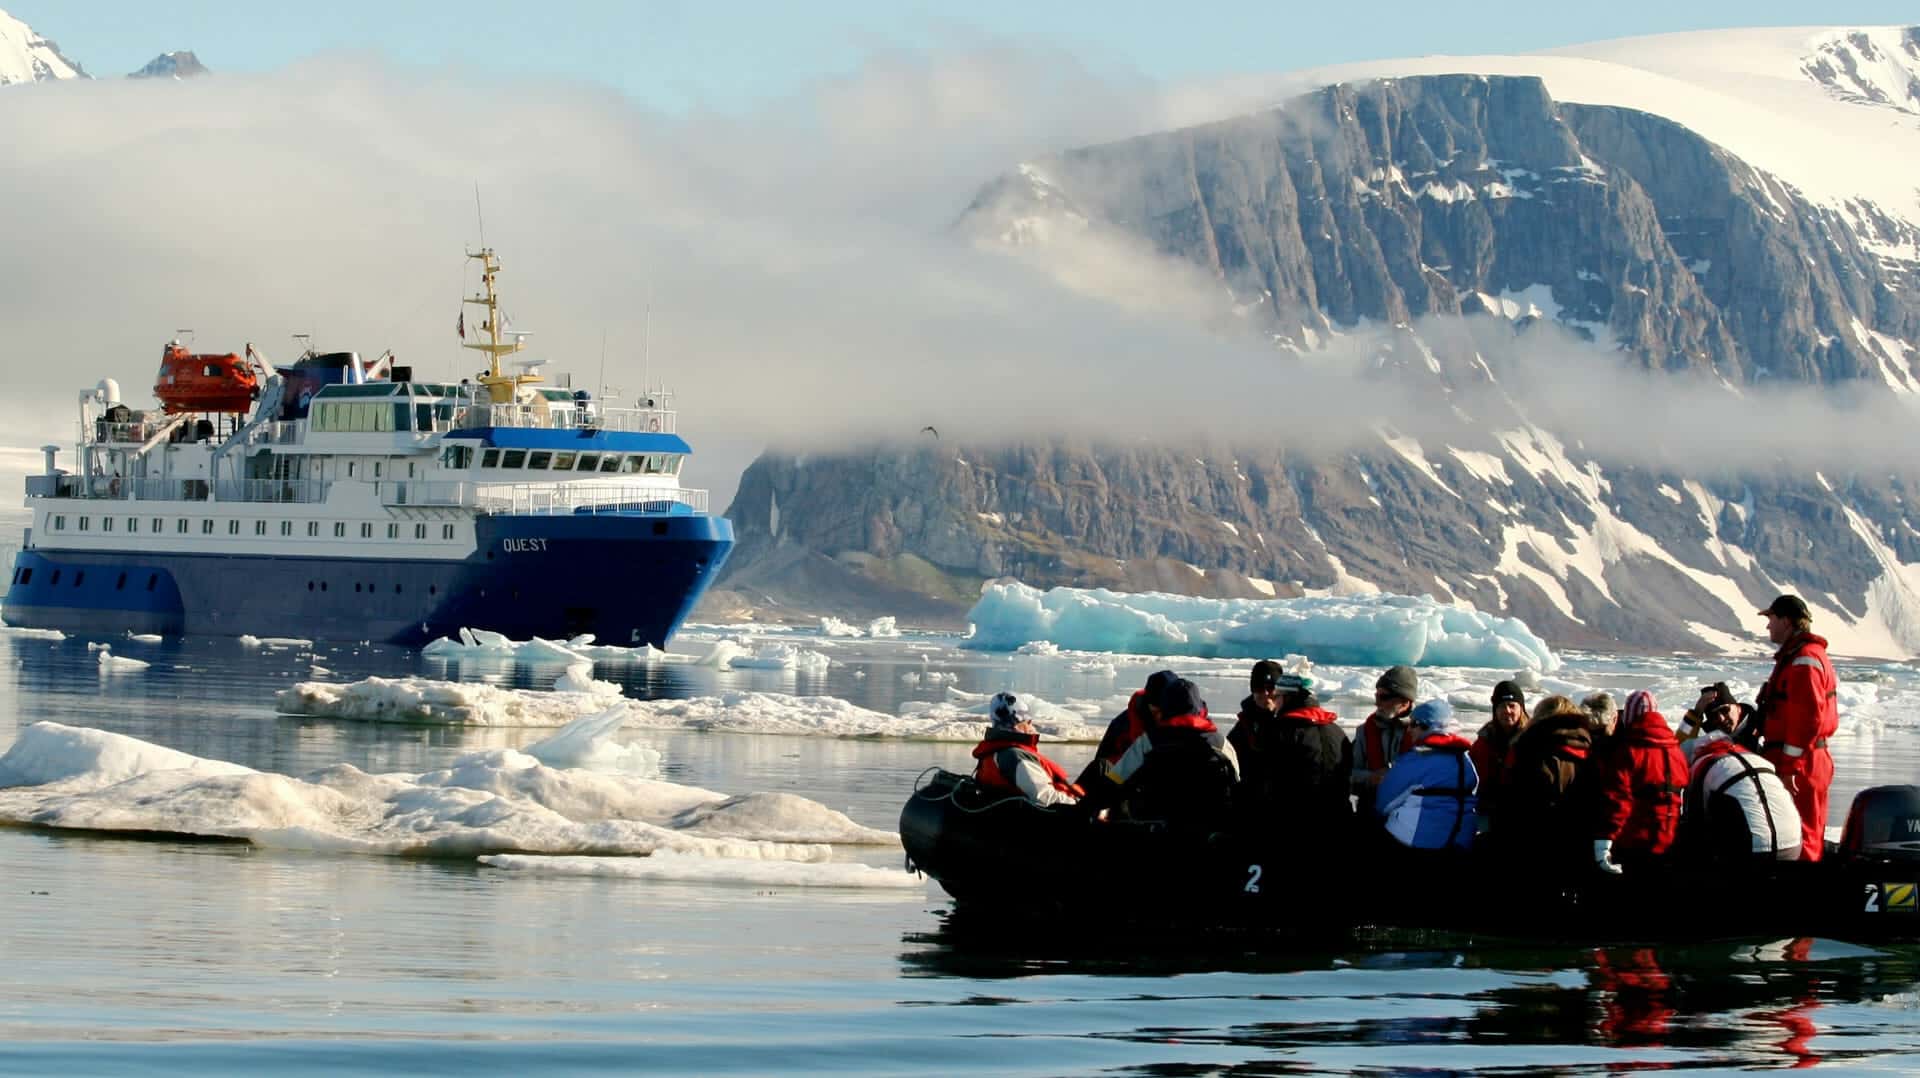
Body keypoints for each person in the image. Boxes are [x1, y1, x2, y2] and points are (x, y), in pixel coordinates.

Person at [1083, 677, 1240, 831]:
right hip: (1208, 827)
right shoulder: (1220, 743)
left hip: (1154, 826)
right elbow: (1236, 785)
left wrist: (1089, 810)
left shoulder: (1149, 741)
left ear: (1165, 709)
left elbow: (1115, 780)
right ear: (1200, 708)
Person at [1752, 594, 1839, 862]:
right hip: (1801, 760)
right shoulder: (1798, 657)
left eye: (1772, 619)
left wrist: (1791, 767)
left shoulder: (1804, 661)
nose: (1768, 626)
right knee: (1794, 831)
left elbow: (1808, 719)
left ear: (1786, 621)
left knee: (1802, 834)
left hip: (1803, 764)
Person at [1228, 667, 1352, 831]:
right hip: (1338, 821)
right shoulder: (1337, 731)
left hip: (1295, 824)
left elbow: (1270, 784)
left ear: (1287, 698)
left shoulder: (1282, 732)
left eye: (1277, 695)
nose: (1273, 700)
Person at [1488, 694, 1597, 867]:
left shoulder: (1531, 750)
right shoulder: (1589, 748)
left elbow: (1519, 801)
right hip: (1577, 839)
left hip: (1535, 841)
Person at [1682, 715, 1801, 863]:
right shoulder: (1756, 758)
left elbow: (1695, 822)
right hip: (1793, 843)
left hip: (1751, 851)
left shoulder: (1702, 765)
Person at [1592, 690, 1687, 875]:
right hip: (1670, 840)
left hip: (1635, 842)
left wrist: (1603, 842)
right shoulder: (1676, 750)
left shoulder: (1629, 752)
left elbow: (1618, 800)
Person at [1376, 699, 1479, 850]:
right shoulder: (1465, 760)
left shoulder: (1416, 760)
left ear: (1426, 726)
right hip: (1460, 841)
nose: (1409, 730)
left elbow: (1383, 803)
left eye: (1413, 724)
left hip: (1419, 842)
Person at [969, 692, 1083, 807]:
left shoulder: (1000, 750)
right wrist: (1082, 805)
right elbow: (1044, 797)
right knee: (1099, 767)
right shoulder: (1013, 756)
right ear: (1016, 725)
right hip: (1061, 812)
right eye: (1028, 722)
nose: (1032, 726)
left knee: (1098, 766)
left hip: (1064, 798)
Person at [1076, 669, 1178, 789]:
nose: (1160, 715)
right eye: (1156, 709)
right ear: (1148, 702)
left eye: (1163, 709)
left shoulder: (1195, 729)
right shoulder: (1123, 723)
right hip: (1127, 782)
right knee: (1099, 767)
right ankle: (1074, 799)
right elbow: (1104, 758)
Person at [1353, 665, 1418, 815]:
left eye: (1384, 697)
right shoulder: (1364, 731)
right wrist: (1370, 778)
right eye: (1376, 697)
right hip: (1371, 810)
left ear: (1405, 701)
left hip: (1409, 814)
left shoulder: (1422, 732)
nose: (1377, 703)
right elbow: (1348, 773)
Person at [1471, 680, 1528, 815]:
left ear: (1521, 708)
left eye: (1512, 706)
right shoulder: (1484, 741)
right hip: (1488, 809)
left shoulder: (1533, 739)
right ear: (1495, 710)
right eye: (1501, 706)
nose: (1507, 711)